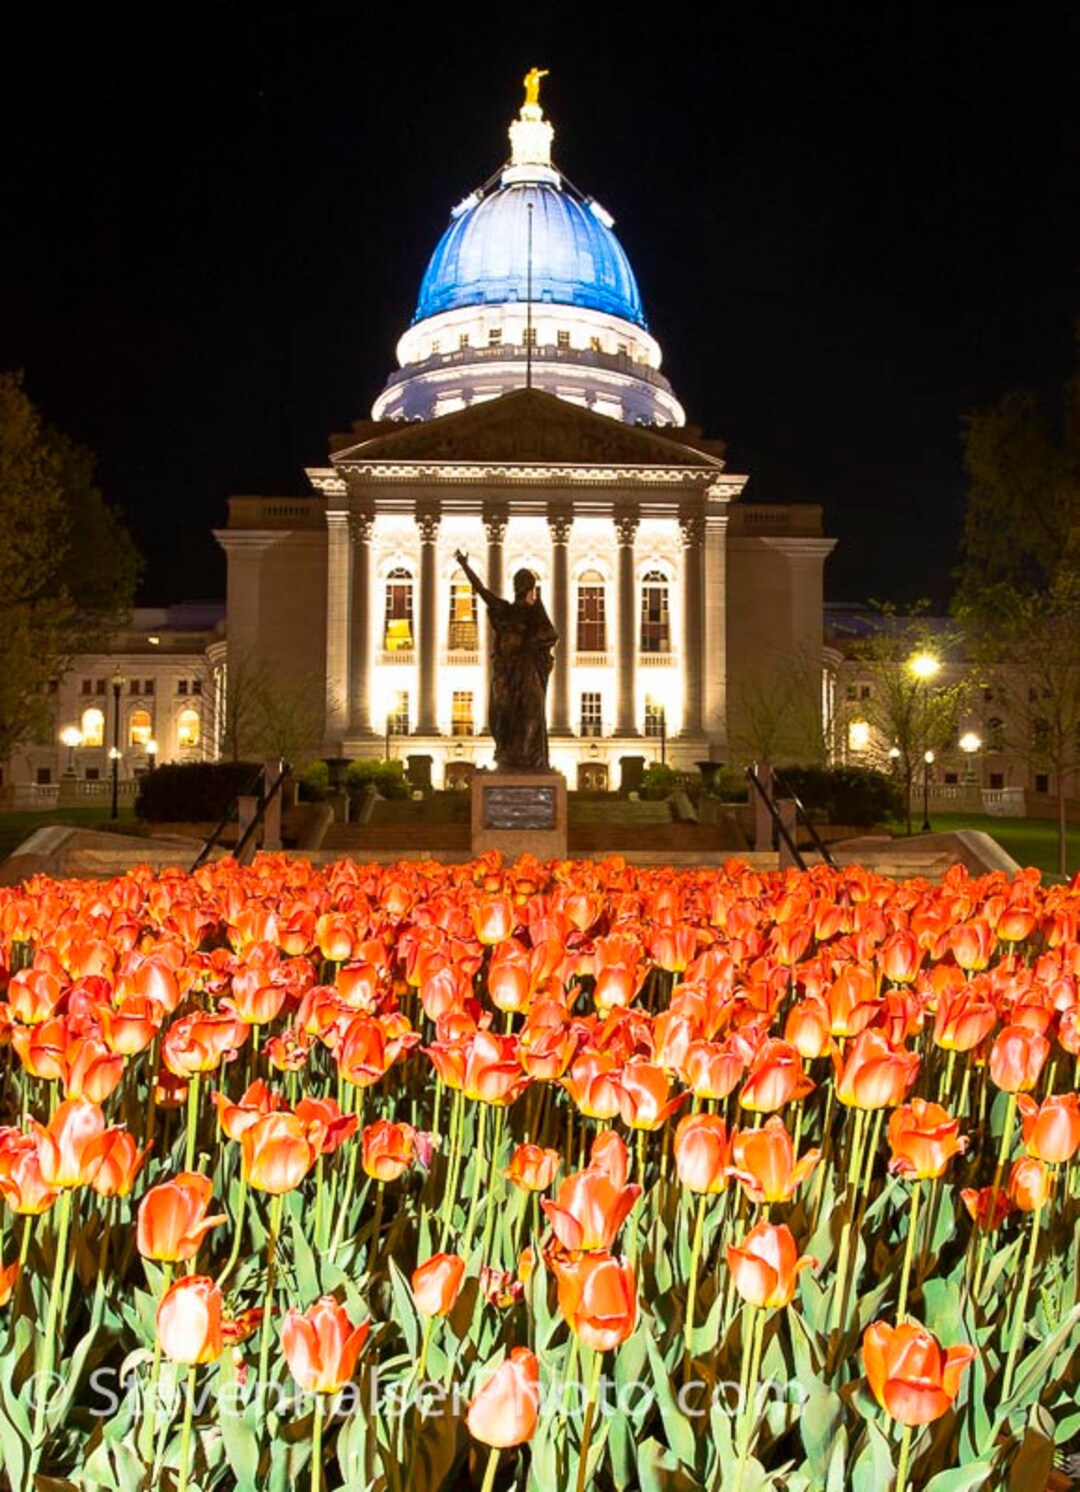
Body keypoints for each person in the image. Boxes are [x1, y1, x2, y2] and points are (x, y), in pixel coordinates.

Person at [454, 550, 558, 771]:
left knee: (530, 710)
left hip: (526, 667)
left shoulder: (534, 612)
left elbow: (550, 635)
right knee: (503, 712)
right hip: (507, 669)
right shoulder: (505, 609)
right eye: (523, 585)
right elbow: (481, 590)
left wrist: (533, 643)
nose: (523, 589)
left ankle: (525, 756)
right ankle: (507, 752)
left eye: (525, 584)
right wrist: (465, 566)